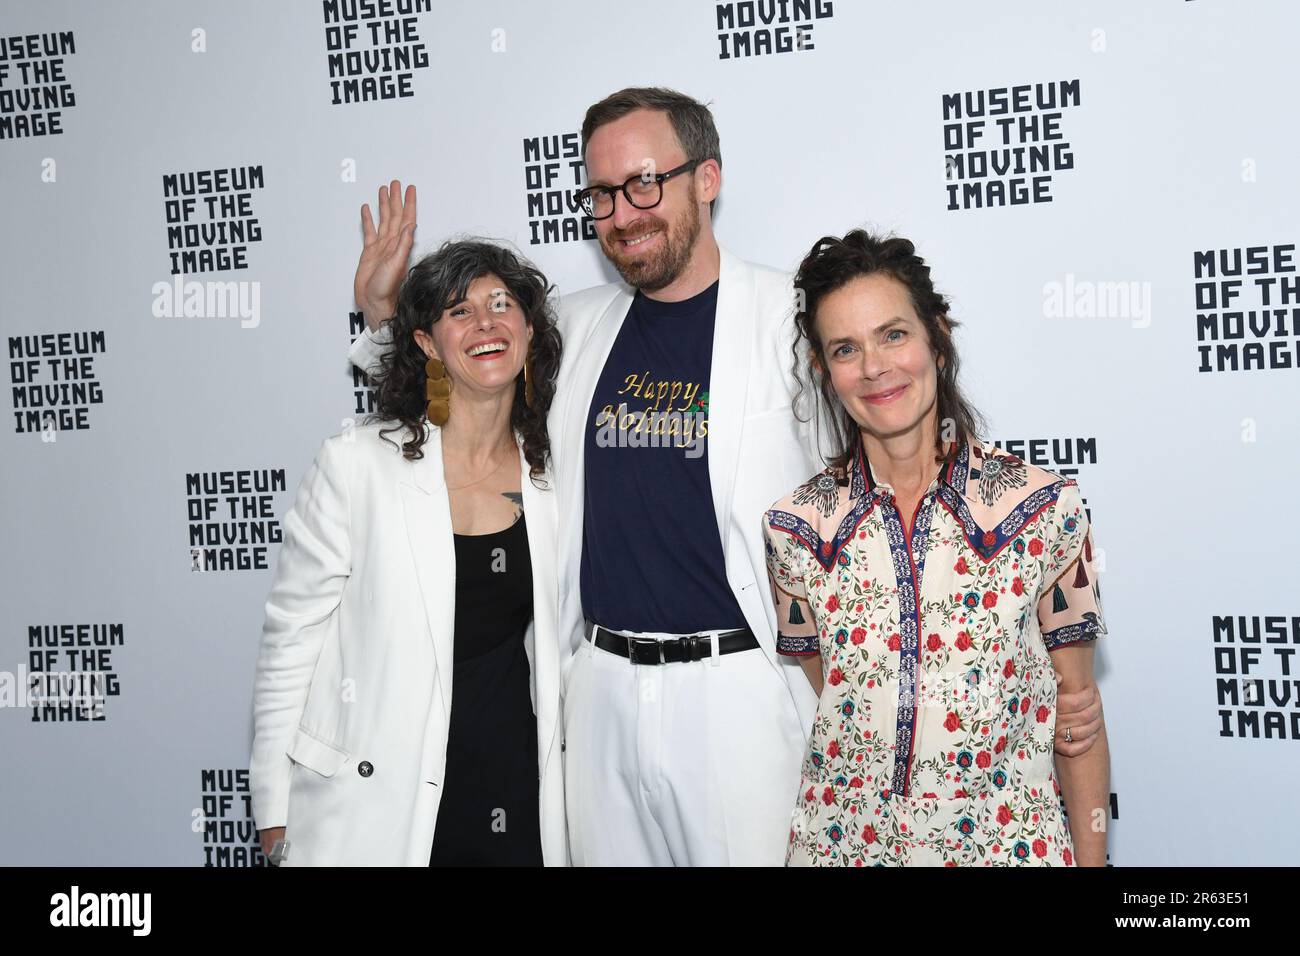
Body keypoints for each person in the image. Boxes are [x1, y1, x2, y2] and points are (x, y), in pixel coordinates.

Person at [350, 88, 1103, 866]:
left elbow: (898, 440)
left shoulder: (798, 319)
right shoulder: (571, 329)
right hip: (600, 693)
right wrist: (382, 320)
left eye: (646, 182)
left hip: (742, 692)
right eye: (602, 194)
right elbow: (454, 395)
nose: (624, 212)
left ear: (706, 178)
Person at [762, 230, 1111, 866]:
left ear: (937, 339)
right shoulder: (795, 531)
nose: (874, 366)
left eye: (894, 335)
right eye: (845, 348)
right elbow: (837, 702)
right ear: (822, 368)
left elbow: (1076, 719)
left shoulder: (1043, 508)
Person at [248, 235, 567, 866]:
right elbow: (291, 642)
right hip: (375, 796)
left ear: (529, 328)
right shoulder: (357, 465)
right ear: (426, 343)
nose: (485, 323)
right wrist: (273, 808)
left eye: (502, 304)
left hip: (511, 786)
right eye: (458, 312)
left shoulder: (556, 476)